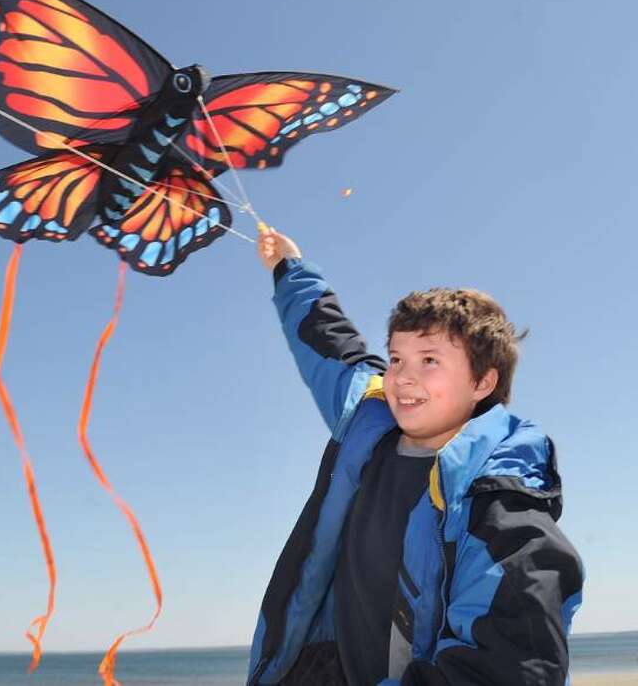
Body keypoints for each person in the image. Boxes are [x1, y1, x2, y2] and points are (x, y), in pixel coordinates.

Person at [247, 229, 585, 685]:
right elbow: (328, 339)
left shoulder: (499, 498)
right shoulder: (369, 420)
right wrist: (289, 267)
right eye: (396, 359)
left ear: (483, 383)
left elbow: (511, 663)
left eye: (429, 360)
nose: (403, 378)